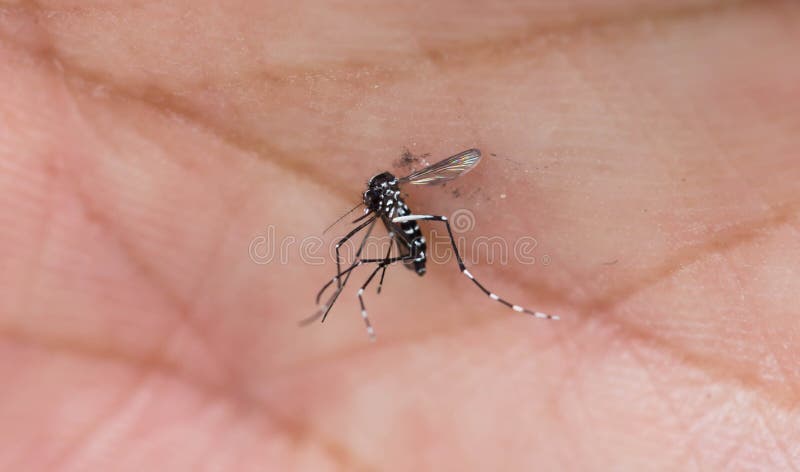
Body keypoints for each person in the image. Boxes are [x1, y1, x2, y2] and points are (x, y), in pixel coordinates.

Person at [1, 1, 798, 470]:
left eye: (387, 194)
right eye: (389, 193)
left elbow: (420, 191)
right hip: (412, 237)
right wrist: (366, 252)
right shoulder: (395, 208)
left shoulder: (396, 205)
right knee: (393, 249)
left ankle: (459, 294)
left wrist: (381, 233)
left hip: (418, 232)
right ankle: (405, 298)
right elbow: (382, 217)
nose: (384, 195)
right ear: (391, 195)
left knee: (405, 242)